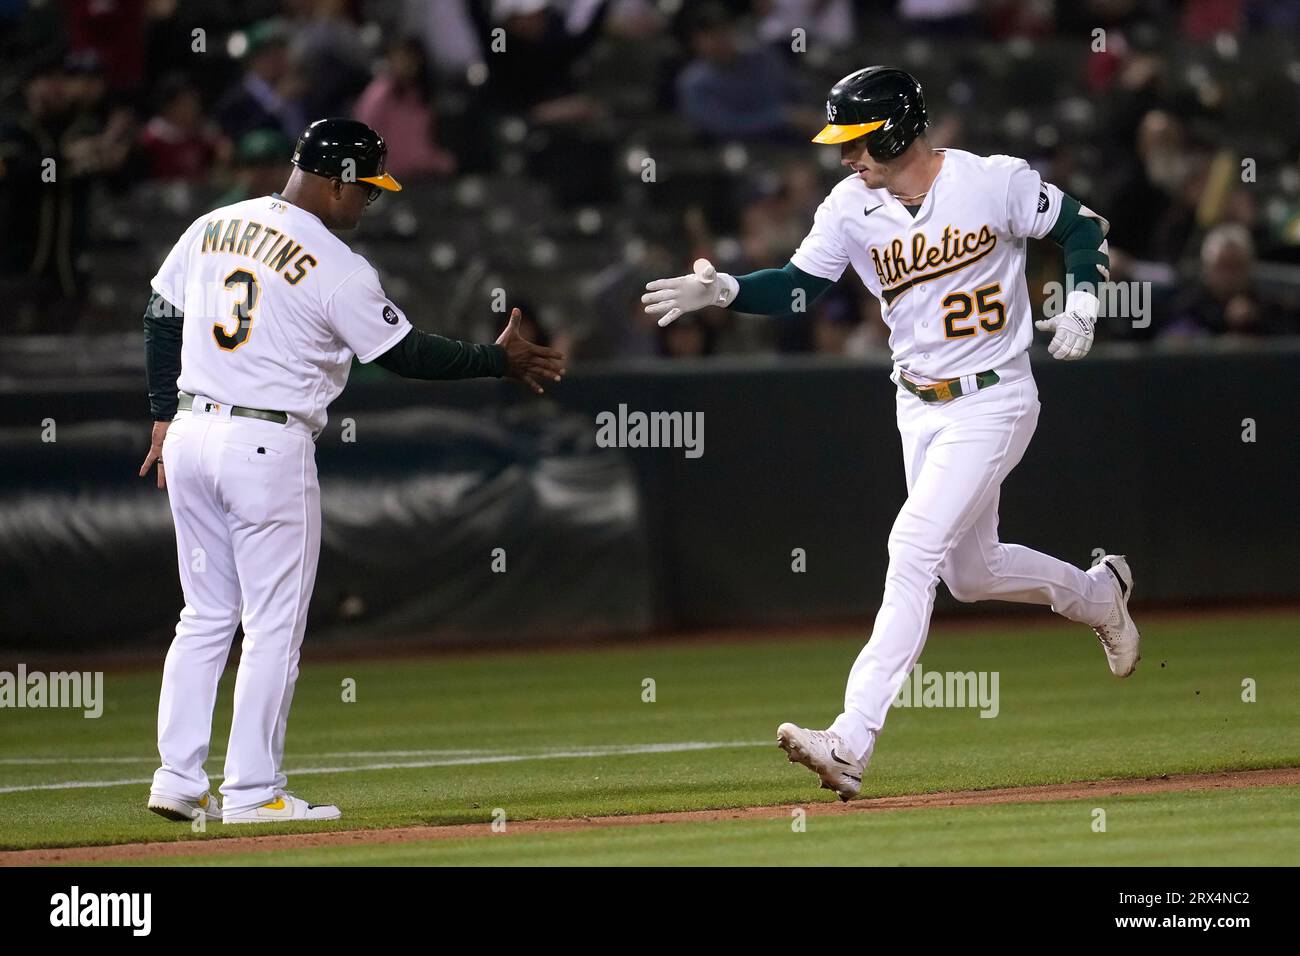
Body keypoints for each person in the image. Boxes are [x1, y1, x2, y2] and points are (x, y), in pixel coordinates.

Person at [642, 67, 1141, 801]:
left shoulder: (990, 181)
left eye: (856, 140)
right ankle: (1100, 595)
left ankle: (850, 740)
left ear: (896, 130)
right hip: (918, 405)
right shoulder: (851, 206)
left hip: (994, 399)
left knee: (911, 548)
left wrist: (1085, 304)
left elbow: (1080, 228)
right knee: (970, 574)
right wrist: (727, 290)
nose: (846, 157)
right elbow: (802, 283)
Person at [139, 118, 565, 824]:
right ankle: (253, 793)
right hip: (265, 444)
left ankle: (178, 780)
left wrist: (161, 411)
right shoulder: (333, 264)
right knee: (272, 624)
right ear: (335, 181)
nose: (369, 202)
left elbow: (159, 314)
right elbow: (405, 353)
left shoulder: (214, 224)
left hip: (189, 432)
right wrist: (498, 360)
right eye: (364, 189)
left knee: (205, 615)